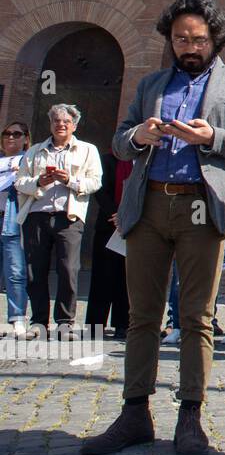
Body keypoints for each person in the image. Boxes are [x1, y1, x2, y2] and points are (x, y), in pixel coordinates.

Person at [82, 0, 225, 455]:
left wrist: (212, 137)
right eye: (180, 38)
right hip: (147, 207)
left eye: (198, 38)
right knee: (140, 316)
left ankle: (190, 415)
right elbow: (119, 143)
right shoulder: (151, 85)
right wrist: (138, 135)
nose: (188, 46)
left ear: (215, 39)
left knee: (195, 318)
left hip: (202, 208)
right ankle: (134, 412)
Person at [16, 104, 103, 338]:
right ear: (51, 124)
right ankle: (38, 322)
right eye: (56, 121)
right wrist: (39, 182)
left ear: (74, 125)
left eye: (66, 121)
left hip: (69, 217)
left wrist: (70, 180)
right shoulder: (35, 151)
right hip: (36, 215)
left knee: (68, 269)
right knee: (36, 269)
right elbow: (19, 181)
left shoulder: (87, 150)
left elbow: (95, 182)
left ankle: (65, 323)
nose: (60, 124)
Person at [85, 153, 131, 340]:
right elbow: (99, 188)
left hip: (133, 225)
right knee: (101, 277)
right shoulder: (106, 159)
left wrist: (127, 216)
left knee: (126, 277)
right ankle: (95, 326)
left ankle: (123, 324)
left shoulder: (144, 160)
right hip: (108, 223)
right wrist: (115, 213)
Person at [0, 121, 33, 339]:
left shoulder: (28, 160)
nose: (11, 137)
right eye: (6, 133)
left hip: (12, 220)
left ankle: (17, 318)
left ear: (25, 139)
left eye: (16, 134)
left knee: (14, 270)